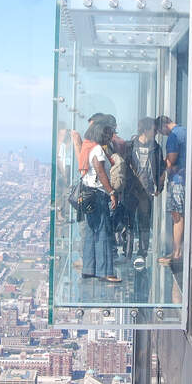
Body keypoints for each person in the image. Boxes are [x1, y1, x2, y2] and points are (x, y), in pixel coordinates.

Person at [77, 120, 121, 283]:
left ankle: (88, 269)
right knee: (103, 232)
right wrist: (111, 192)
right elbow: (101, 172)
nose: (111, 136)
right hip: (98, 195)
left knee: (91, 232)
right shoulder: (98, 150)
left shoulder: (90, 148)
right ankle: (105, 271)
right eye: (108, 133)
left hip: (89, 194)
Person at [125, 117, 163, 269]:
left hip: (146, 190)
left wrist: (159, 187)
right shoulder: (130, 146)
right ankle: (127, 252)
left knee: (144, 222)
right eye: (154, 130)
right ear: (146, 130)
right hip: (131, 189)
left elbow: (160, 168)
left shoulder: (156, 147)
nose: (156, 133)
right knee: (129, 221)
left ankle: (142, 252)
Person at [156, 115, 185, 265]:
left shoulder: (173, 136)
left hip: (178, 181)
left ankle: (176, 252)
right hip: (188, 180)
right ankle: (180, 251)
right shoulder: (185, 131)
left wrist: (161, 177)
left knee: (177, 216)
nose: (162, 135)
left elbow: (171, 159)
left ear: (163, 126)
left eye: (160, 132)